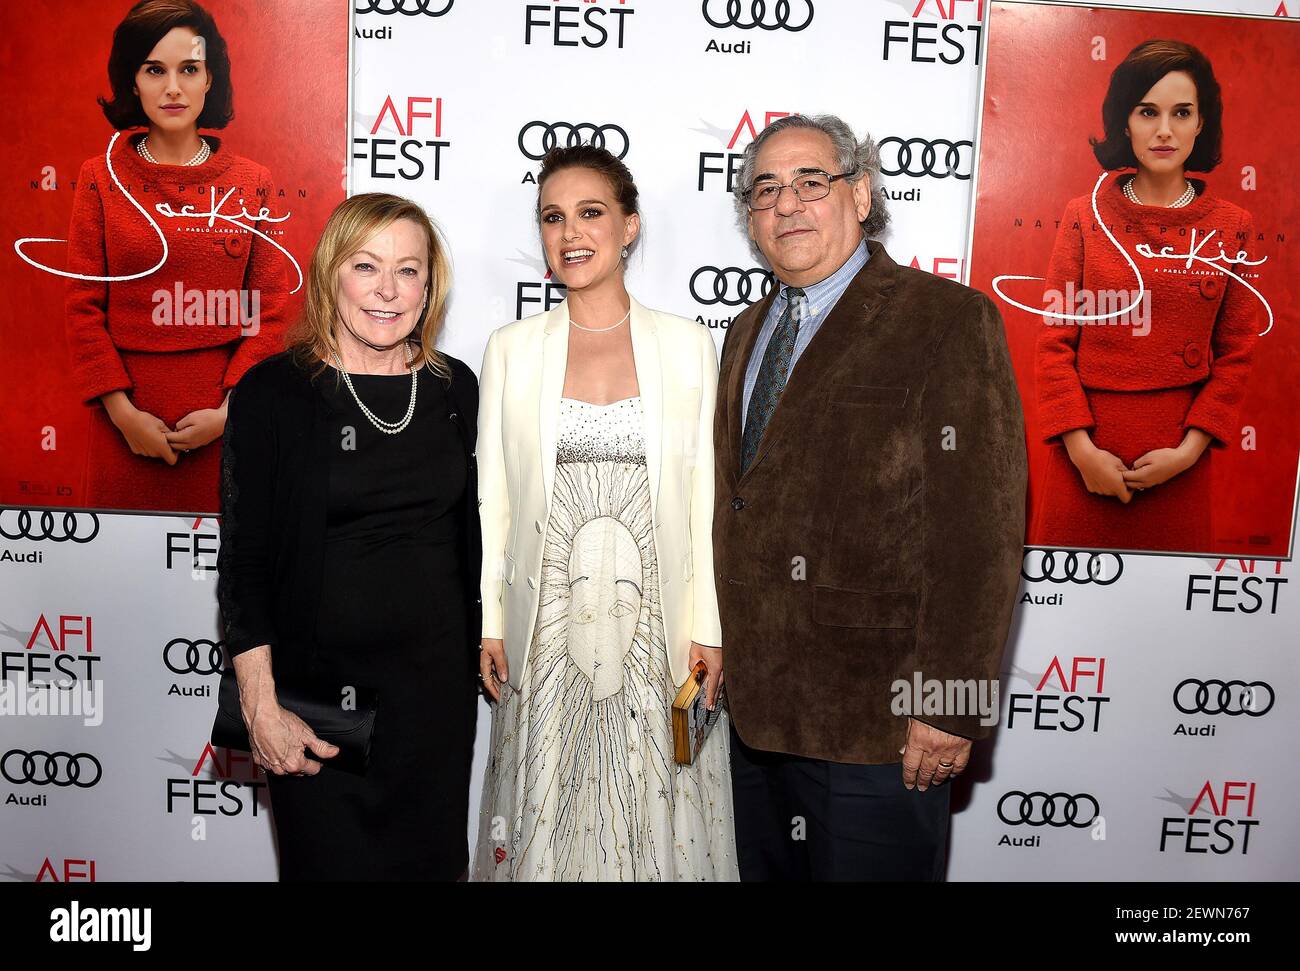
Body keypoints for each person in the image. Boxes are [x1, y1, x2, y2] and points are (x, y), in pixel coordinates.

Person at [714, 114, 1027, 881]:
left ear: (859, 195)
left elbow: (979, 534)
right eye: (766, 190)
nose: (787, 204)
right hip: (753, 724)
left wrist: (948, 704)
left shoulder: (946, 319)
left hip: (878, 727)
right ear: (751, 221)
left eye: (810, 182)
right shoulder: (744, 331)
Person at [473, 144, 737, 881]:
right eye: (553, 217)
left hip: (659, 625)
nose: (570, 233)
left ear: (630, 226)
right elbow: (496, 497)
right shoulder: (511, 349)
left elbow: (708, 498)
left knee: (657, 807)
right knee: (546, 815)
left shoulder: (687, 346)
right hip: (548, 627)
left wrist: (709, 630)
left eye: (591, 212)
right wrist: (492, 617)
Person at [216, 193, 480, 881]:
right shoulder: (274, 392)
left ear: (431, 284)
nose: (388, 290)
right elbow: (244, 560)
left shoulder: (458, 390)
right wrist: (259, 701)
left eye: (409, 270)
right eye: (367, 266)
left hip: (435, 704)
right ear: (332, 272)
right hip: (318, 705)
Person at [61, 0, 290, 513]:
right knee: (118, 583)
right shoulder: (100, 178)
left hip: (228, 423)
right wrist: (124, 416)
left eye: (189, 69)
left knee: (227, 584)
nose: (172, 87)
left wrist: (230, 414)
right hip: (125, 427)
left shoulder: (252, 183)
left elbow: (272, 307)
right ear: (132, 80)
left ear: (210, 79)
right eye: (154, 69)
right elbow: (82, 307)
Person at [1035, 39, 1260, 552]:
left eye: (1182, 112)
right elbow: (1054, 343)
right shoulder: (1084, 214)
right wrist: (1082, 450)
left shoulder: (1234, 227)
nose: (1164, 130)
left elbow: (1238, 352)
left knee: (1167, 621)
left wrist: (1187, 453)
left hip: (1180, 456)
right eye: (1147, 111)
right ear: (1125, 121)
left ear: (1201, 123)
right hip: (1085, 457)